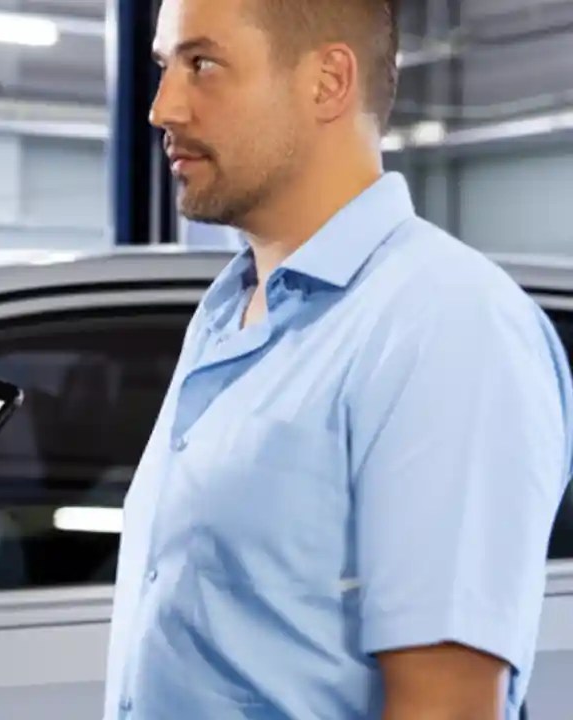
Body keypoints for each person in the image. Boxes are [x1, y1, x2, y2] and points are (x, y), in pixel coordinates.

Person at [104, 0, 573, 718]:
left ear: (328, 81)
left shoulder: (442, 324)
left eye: (203, 65)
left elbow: (445, 706)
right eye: (165, 67)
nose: (162, 107)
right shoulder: (228, 313)